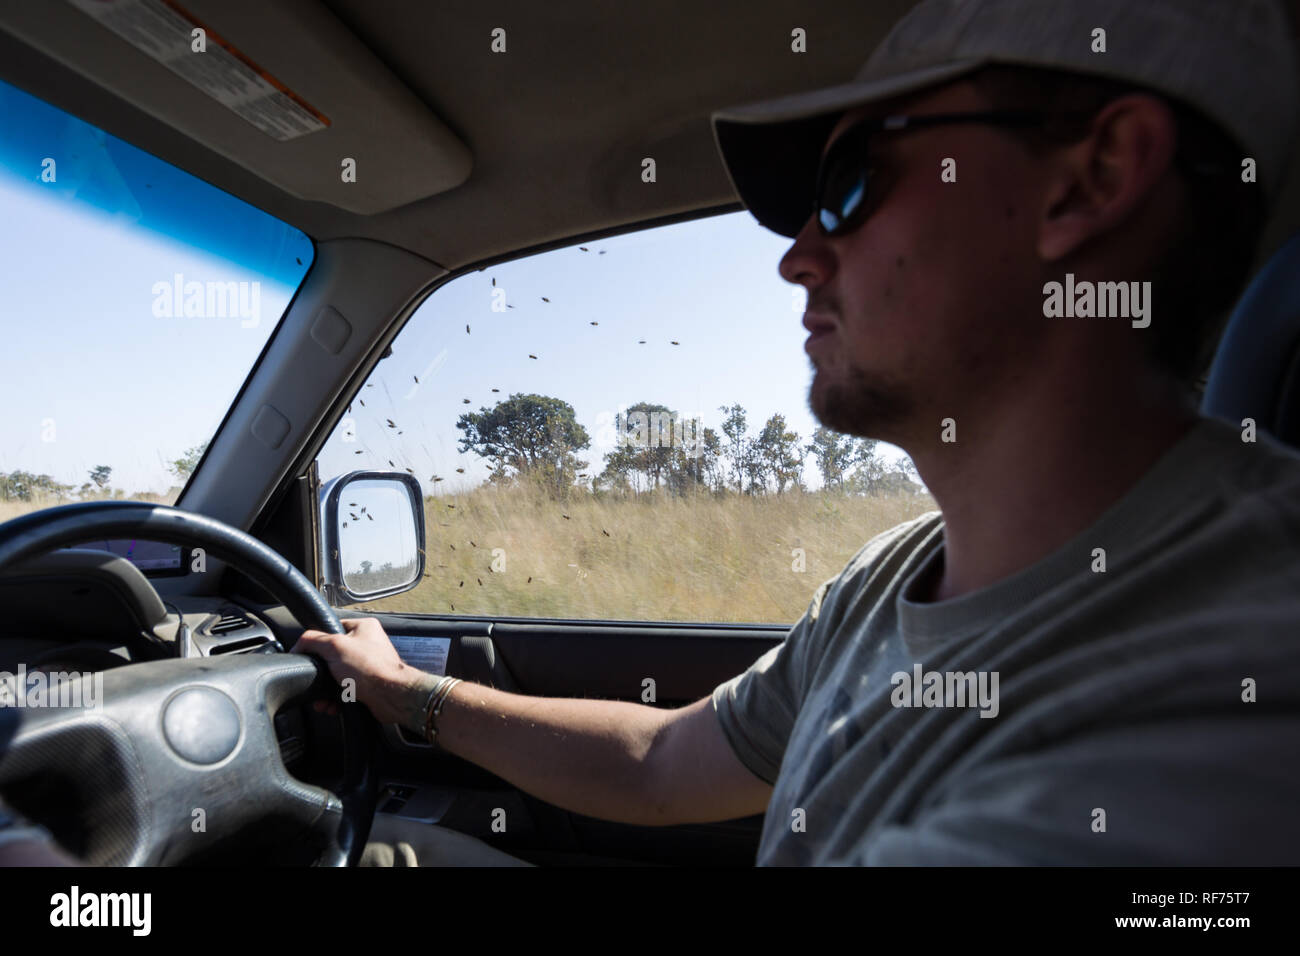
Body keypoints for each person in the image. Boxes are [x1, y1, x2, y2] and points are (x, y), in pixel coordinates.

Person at [296, 0, 1300, 865]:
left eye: (853, 182)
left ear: (1090, 178)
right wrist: (406, 694)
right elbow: (661, 761)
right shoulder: (896, 568)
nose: (797, 259)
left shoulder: (1232, 669)